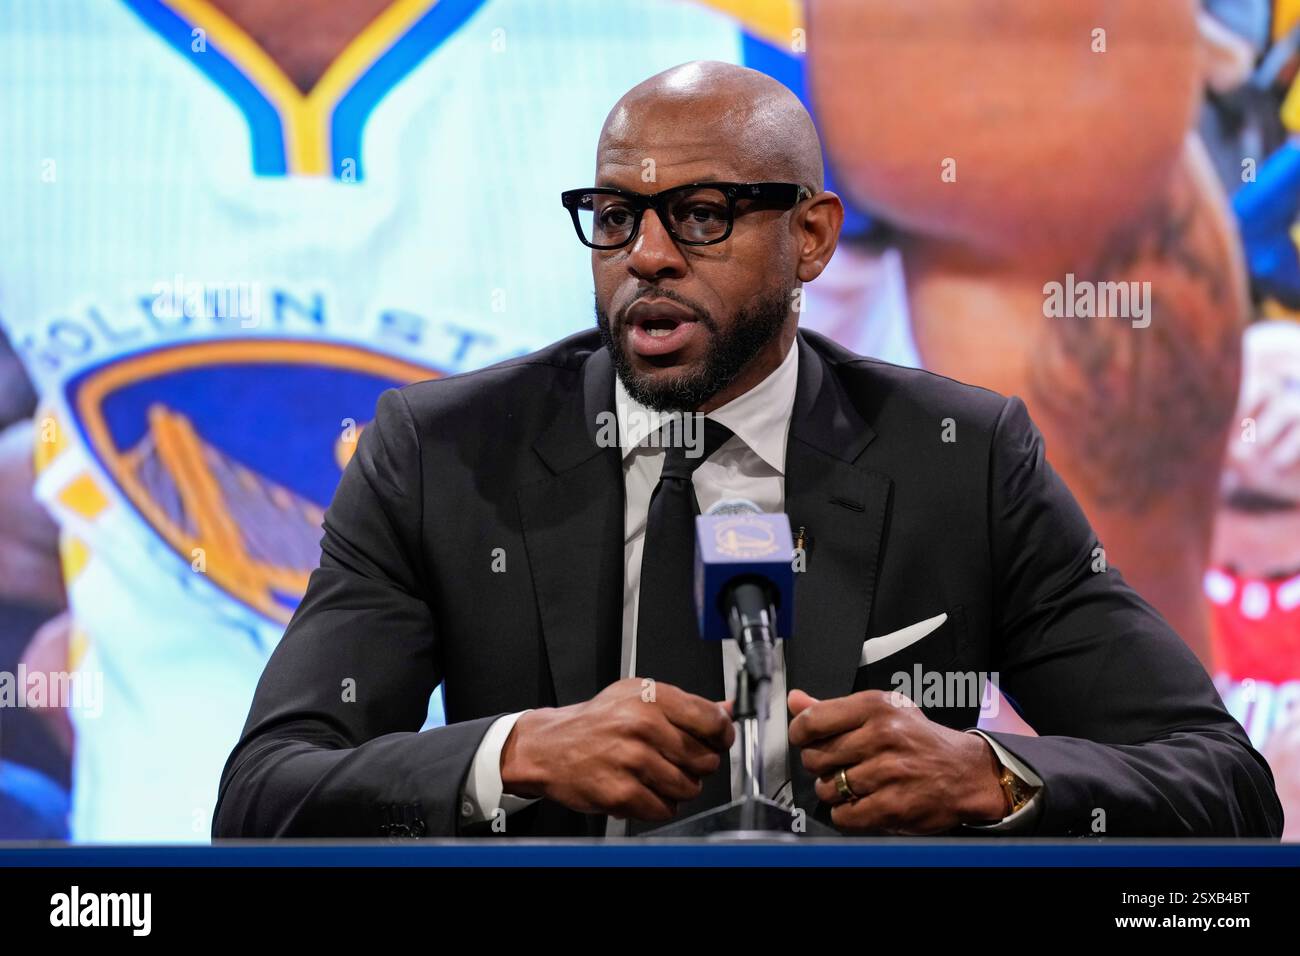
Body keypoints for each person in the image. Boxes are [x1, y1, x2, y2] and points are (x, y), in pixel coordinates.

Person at [214, 62, 1283, 839]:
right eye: (614, 216)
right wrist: (515, 753)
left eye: (702, 215)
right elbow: (265, 794)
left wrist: (990, 775)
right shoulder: (441, 453)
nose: (645, 257)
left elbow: (1221, 782)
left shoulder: (960, 457)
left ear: (811, 236)